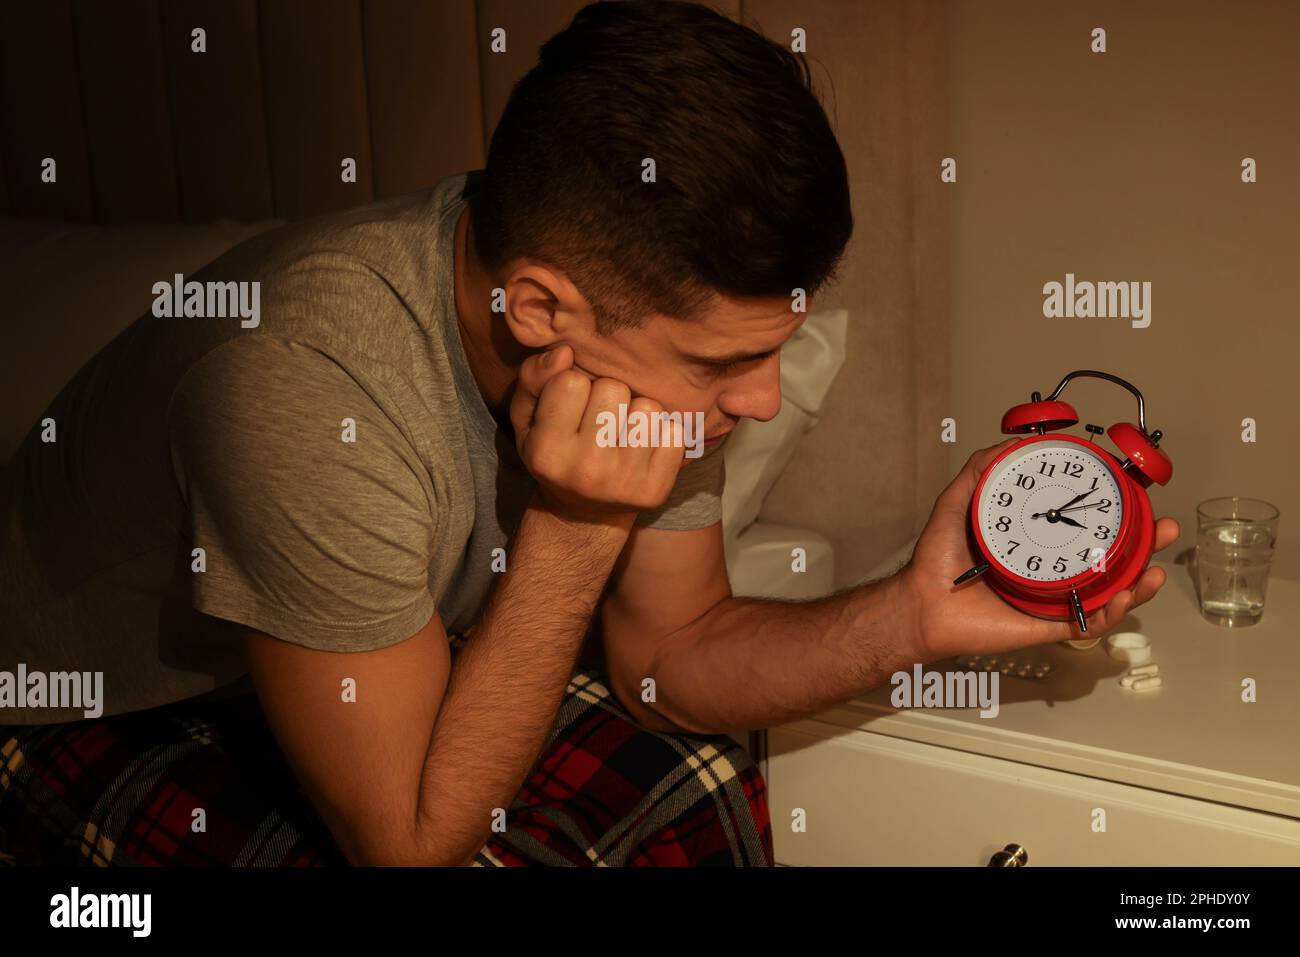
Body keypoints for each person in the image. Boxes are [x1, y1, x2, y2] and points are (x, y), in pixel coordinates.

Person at [0, 0, 1176, 867]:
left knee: (706, 779)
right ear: (543, 310)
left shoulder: (619, 340)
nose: (763, 402)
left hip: (383, 655)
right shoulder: (298, 389)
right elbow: (409, 849)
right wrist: (575, 525)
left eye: (775, 345)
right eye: (723, 363)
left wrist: (913, 616)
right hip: (105, 710)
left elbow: (675, 656)